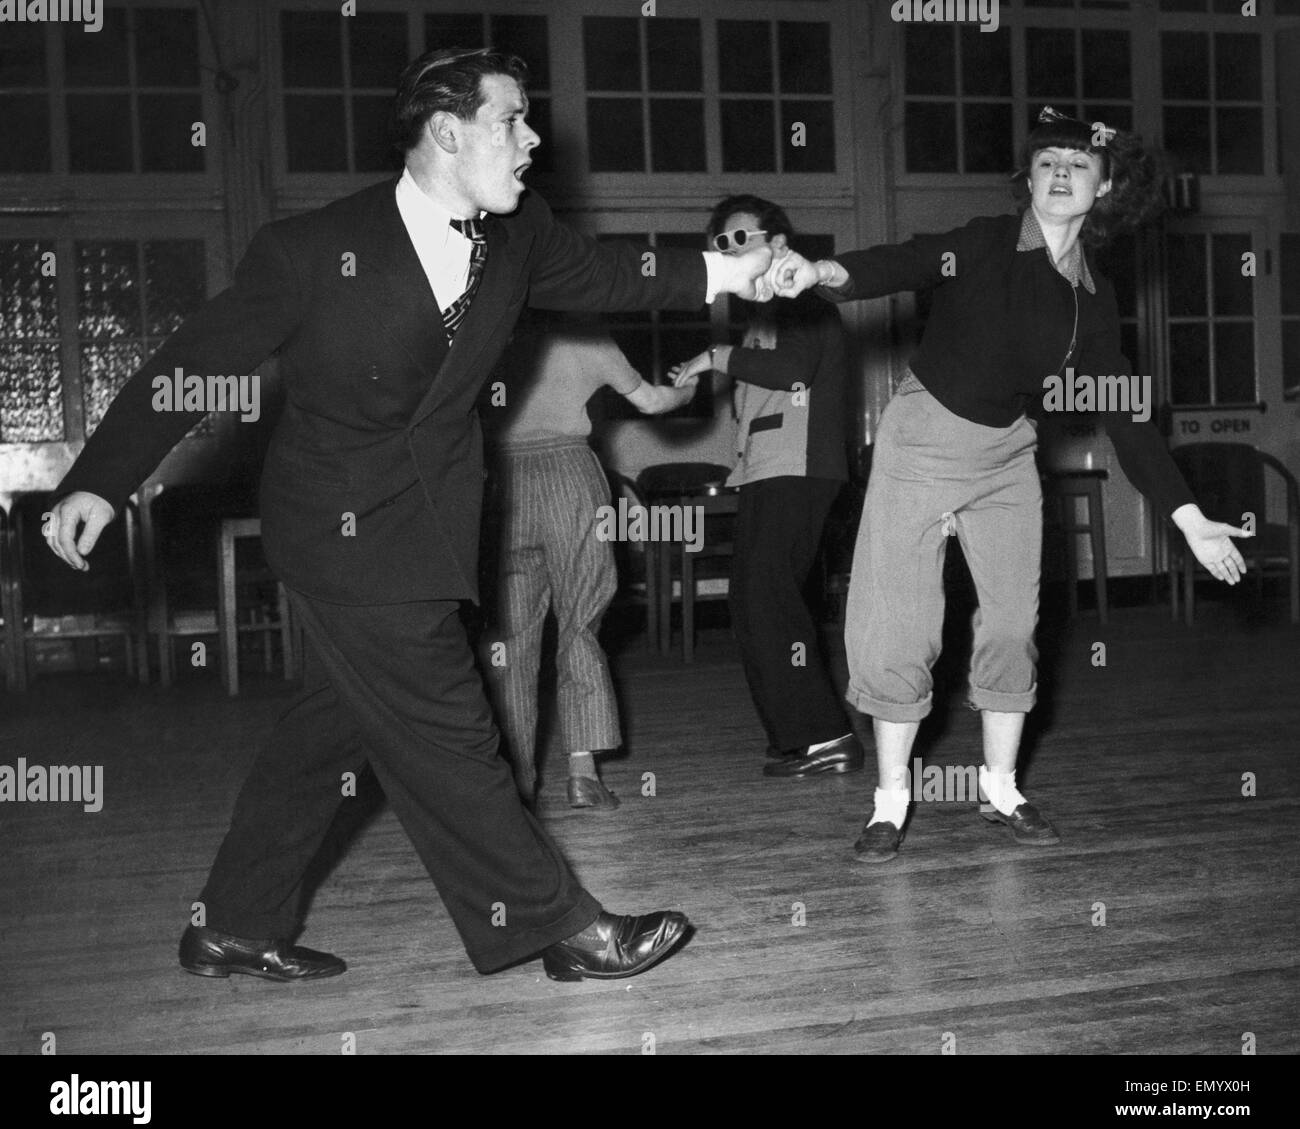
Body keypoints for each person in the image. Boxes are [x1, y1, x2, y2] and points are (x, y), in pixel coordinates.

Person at [43, 48, 771, 983]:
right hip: (337, 530)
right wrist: (101, 480)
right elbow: (193, 362)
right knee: (452, 729)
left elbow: (618, 276)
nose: (534, 139)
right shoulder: (309, 251)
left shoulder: (518, 236)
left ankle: (231, 922)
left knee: (329, 733)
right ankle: (564, 929)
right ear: (447, 130)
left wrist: (733, 271)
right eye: (513, 120)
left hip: (432, 524)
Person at [769, 107, 1248, 862]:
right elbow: (906, 260)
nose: (1060, 172)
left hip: (1006, 455)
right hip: (921, 441)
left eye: (1078, 163)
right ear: (1028, 179)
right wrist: (826, 273)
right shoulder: (984, 242)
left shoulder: (1093, 298)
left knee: (1013, 626)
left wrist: (1188, 517)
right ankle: (891, 801)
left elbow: (1124, 413)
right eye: (1047, 161)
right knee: (901, 627)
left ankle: (999, 788)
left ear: (1107, 184)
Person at [670, 195, 861, 779]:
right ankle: (799, 737)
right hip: (769, 471)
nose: (733, 252)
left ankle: (824, 735)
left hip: (800, 470)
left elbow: (794, 375)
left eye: (743, 238)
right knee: (752, 600)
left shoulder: (801, 301)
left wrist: (715, 355)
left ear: (778, 243)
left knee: (767, 596)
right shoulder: (762, 317)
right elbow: (766, 398)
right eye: (722, 245)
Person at [480, 314, 697, 809]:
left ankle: (517, 781)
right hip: (571, 477)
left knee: (512, 639)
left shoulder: (490, 331)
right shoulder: (585, 335)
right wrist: (687, 390)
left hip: (502, 481)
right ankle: (583, 775)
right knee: (581, 622)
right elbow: (652, 400)